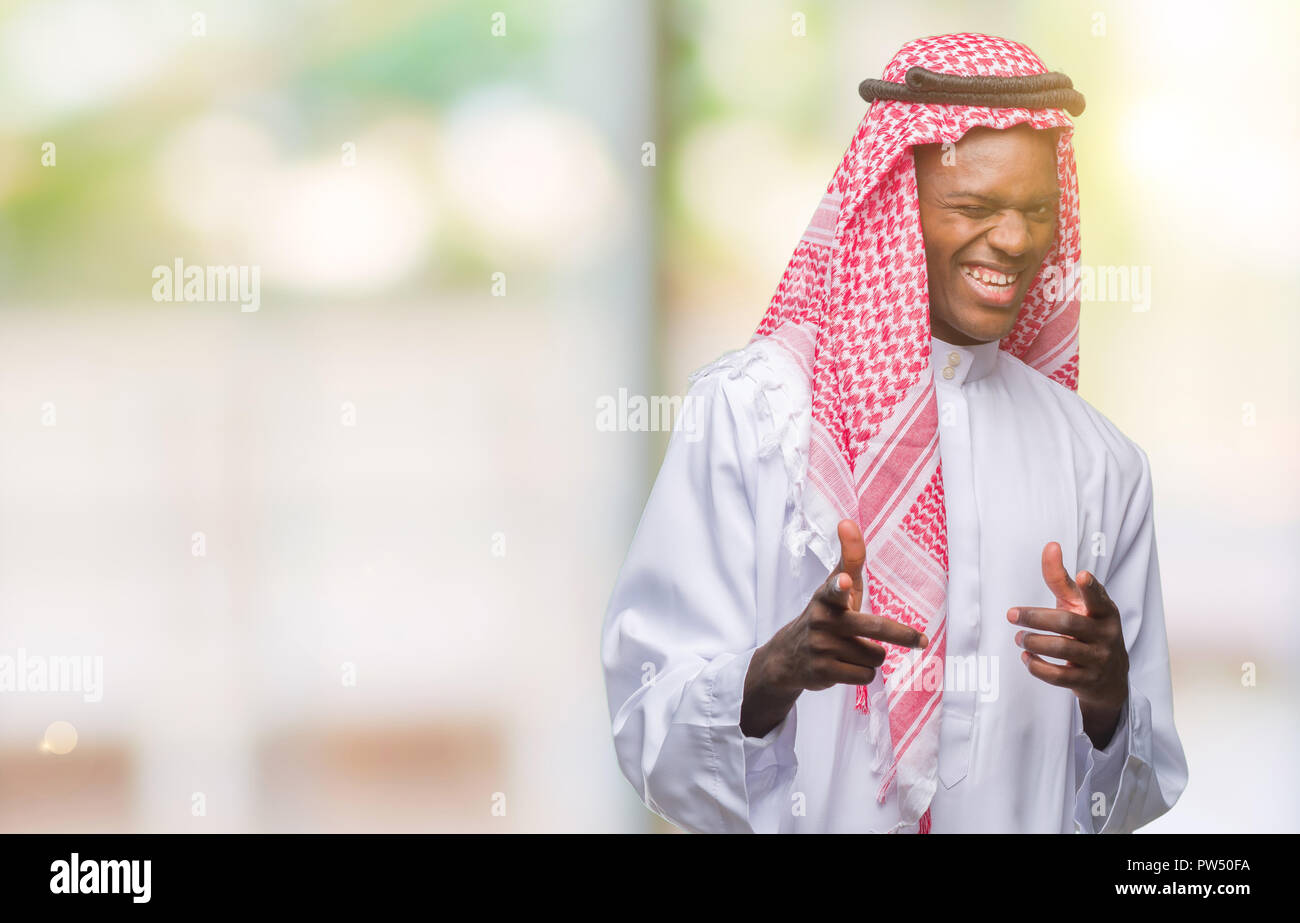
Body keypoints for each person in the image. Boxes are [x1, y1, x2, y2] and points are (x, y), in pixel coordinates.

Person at [600, 33, 1188, 833]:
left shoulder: (1100, 463)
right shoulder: (753, 415)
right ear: (895, 208)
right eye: (975, 208)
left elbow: (1137, 797)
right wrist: (776, 669)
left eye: (1036, 212)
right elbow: (647, 729)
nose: (1014, 242)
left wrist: (1111, 698)